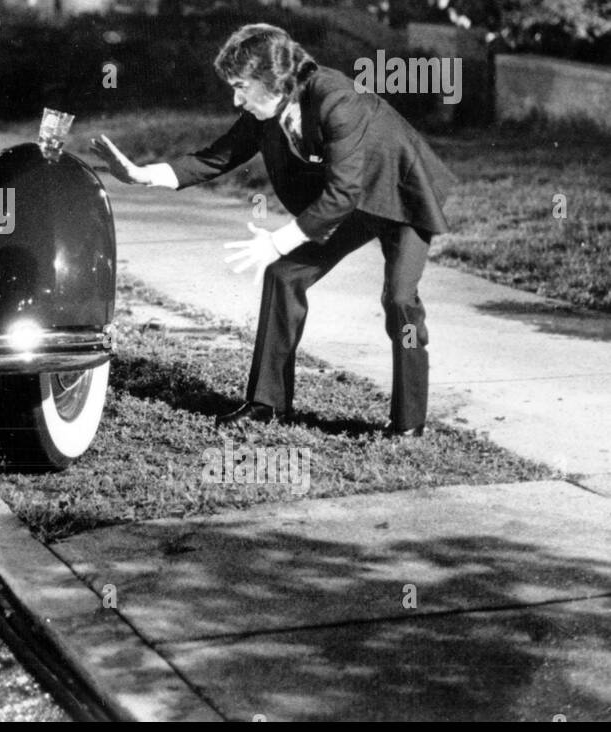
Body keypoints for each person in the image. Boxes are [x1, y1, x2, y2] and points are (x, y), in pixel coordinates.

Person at [91, 23, 455, 437]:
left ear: (272, 79)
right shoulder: (264, 112)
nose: (236, 98)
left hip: (400, 194)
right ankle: (268, 404)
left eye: (242, 86)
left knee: (400, 299)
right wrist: (142, 175)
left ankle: (409, 425)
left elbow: (343, 192)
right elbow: (215, 158)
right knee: (283, 276)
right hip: (349, 201)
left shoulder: (337, 98)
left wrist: (279, 240)